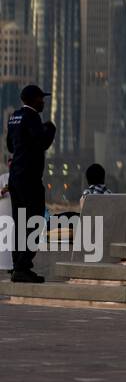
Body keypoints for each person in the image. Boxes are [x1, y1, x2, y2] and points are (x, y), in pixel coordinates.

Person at [6, 84, 57, 283]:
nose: (43, 102)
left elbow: (10, 145)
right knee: (35, 221)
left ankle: (17, 264)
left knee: (19, 222)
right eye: (41, 99)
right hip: (29, 178)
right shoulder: (32, 116)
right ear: (34, 100)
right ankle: (22, 267)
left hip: (15, 177)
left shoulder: (14, 117)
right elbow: (43, 141)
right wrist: (50, 129)